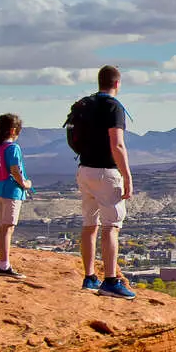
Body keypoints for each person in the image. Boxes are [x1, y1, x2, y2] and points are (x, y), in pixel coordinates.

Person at [72, 65, 135, 299]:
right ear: (117, 84)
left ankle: (89, 277)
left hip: (84, 169)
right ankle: (110, 280)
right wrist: (127, 175)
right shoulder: (113, 107)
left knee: (90, 224)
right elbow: (117, 144)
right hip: (106, 172)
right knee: (111, 226)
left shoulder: (86, 105)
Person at [0, 113, 31, 278]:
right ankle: (4, 266)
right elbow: (15, 170)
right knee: (8, 228)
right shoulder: (13, 148)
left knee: (2, 227)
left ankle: (3, 263)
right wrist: (25, 183)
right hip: (12, 191)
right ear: (14, 130)